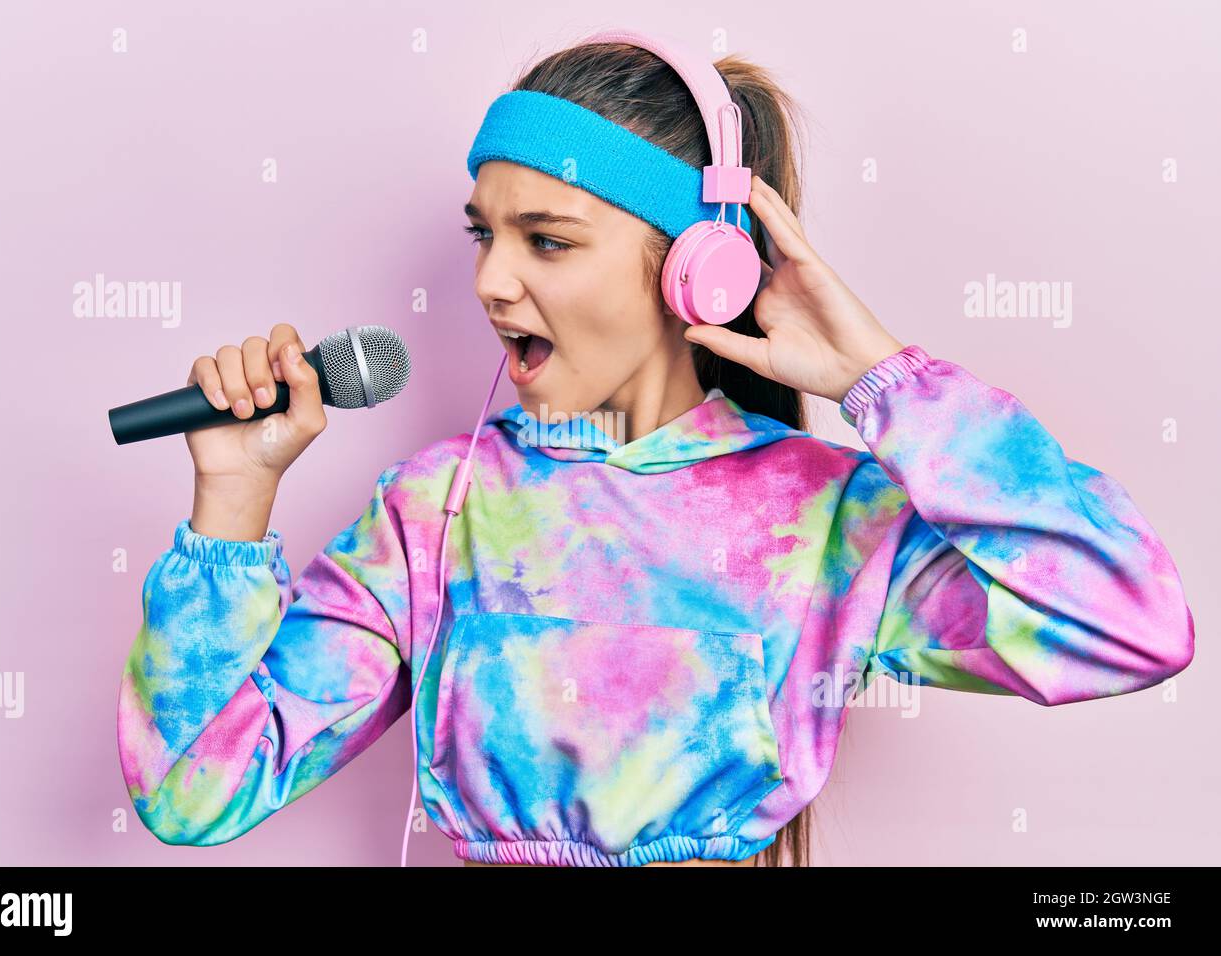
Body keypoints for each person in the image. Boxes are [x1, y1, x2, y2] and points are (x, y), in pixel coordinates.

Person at [116, 32, 1195, 868]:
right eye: (482, 233)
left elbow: (1129, 625)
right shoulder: (436, 507)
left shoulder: (821, 516)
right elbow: (190, 796)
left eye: (546, 239)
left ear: (700, 270)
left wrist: (885, 379)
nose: (492, 281)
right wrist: (234, 491)